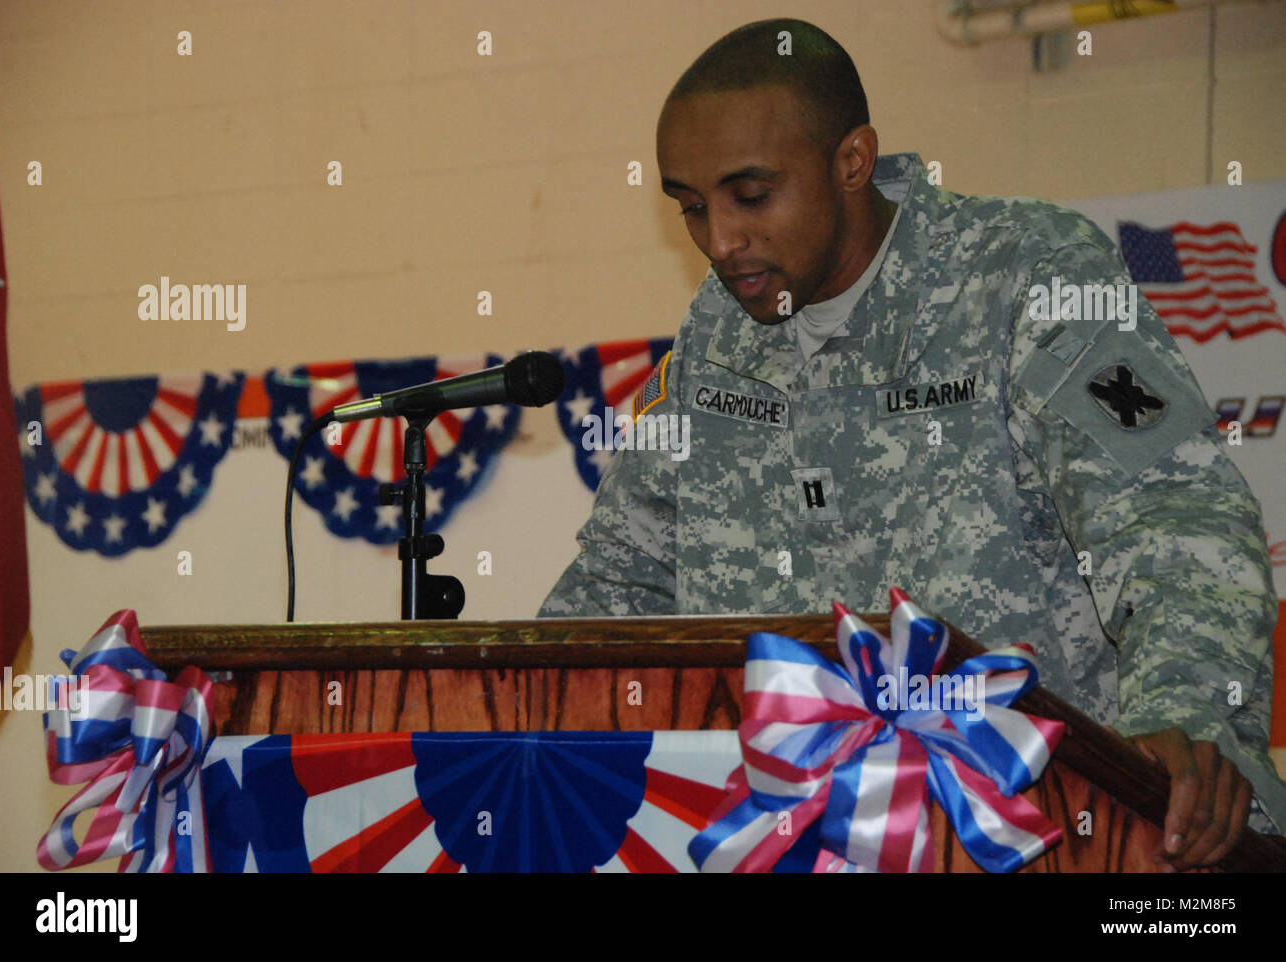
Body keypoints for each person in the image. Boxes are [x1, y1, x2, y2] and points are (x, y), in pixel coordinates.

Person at [538, 18, 1286, 869]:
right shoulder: (717, 340)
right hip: (793, 841)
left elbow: (1173, 513)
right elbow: (612, 591)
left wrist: (1187, 724)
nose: (720, 242)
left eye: (750, 197)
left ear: (853, 160)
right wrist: (505, 732)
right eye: (692, 208)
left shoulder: (1023, 275)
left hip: (1050, 833)